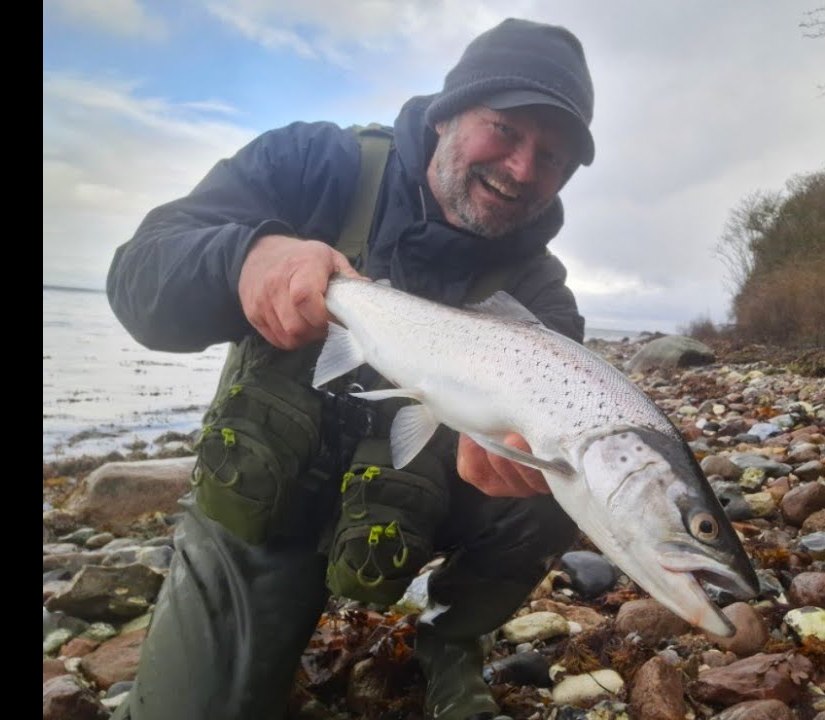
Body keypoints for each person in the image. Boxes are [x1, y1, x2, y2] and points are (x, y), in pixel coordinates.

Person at [105, 17, 597, 720]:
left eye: (551, 157)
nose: (523, 168)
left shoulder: (540, 292)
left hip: (412, 507)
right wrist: (246, 257)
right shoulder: (315, 164)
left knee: (565, 473)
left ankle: (450, 632)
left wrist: (526, 458)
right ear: (445, 117)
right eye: (506, 130)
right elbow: (137, 280)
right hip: (260, 506)